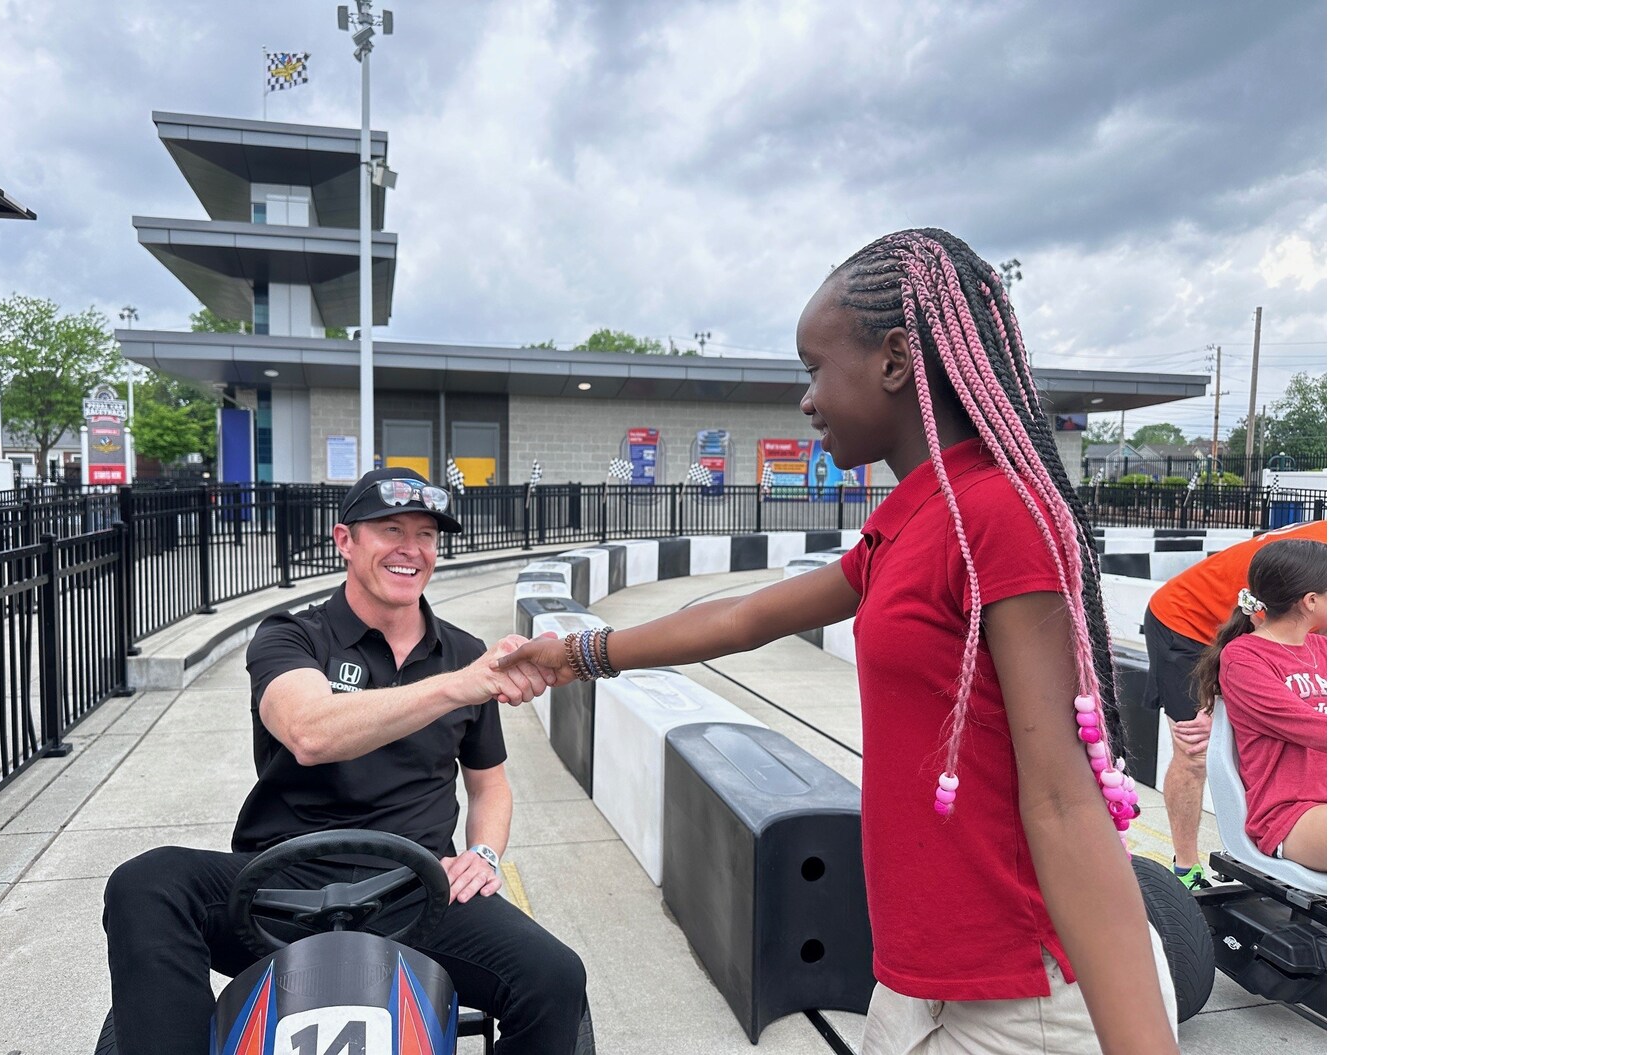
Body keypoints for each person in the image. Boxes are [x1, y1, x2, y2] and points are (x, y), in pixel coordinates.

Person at [501, 229, 1178, 1054]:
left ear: (895, 360)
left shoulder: (998, 514)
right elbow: (744, 616)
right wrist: (577, 656)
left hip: (1024, 1001)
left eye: (814, 367)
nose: (806, 398)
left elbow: (1065, 801)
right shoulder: (911, 518)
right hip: (918, 982)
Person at [100, 467, 590, 1054]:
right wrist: (460, 686)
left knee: (557, 978)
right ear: (345, 541)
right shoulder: (292, 635)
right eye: (391, 530)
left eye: (427, 535)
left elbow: (490, 787)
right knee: (146, 883)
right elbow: (310, 732)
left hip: (417, 889)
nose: (412, 549)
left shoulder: (462, 654)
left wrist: (483, 854)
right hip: (282, 884)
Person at [1140, 519, 1326, 888]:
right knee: (1194, 750)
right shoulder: (1318, 561)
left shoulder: (1319, 641)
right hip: (1184, 621)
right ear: (1311, 600)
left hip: (1270, 634)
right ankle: (1186, 868)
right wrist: (1225, 706)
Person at [1190, 538, 1327, 871]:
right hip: (1292, 813)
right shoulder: (1243, 659)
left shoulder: (1323, 648)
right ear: (1310, 601)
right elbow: (1309, 728)